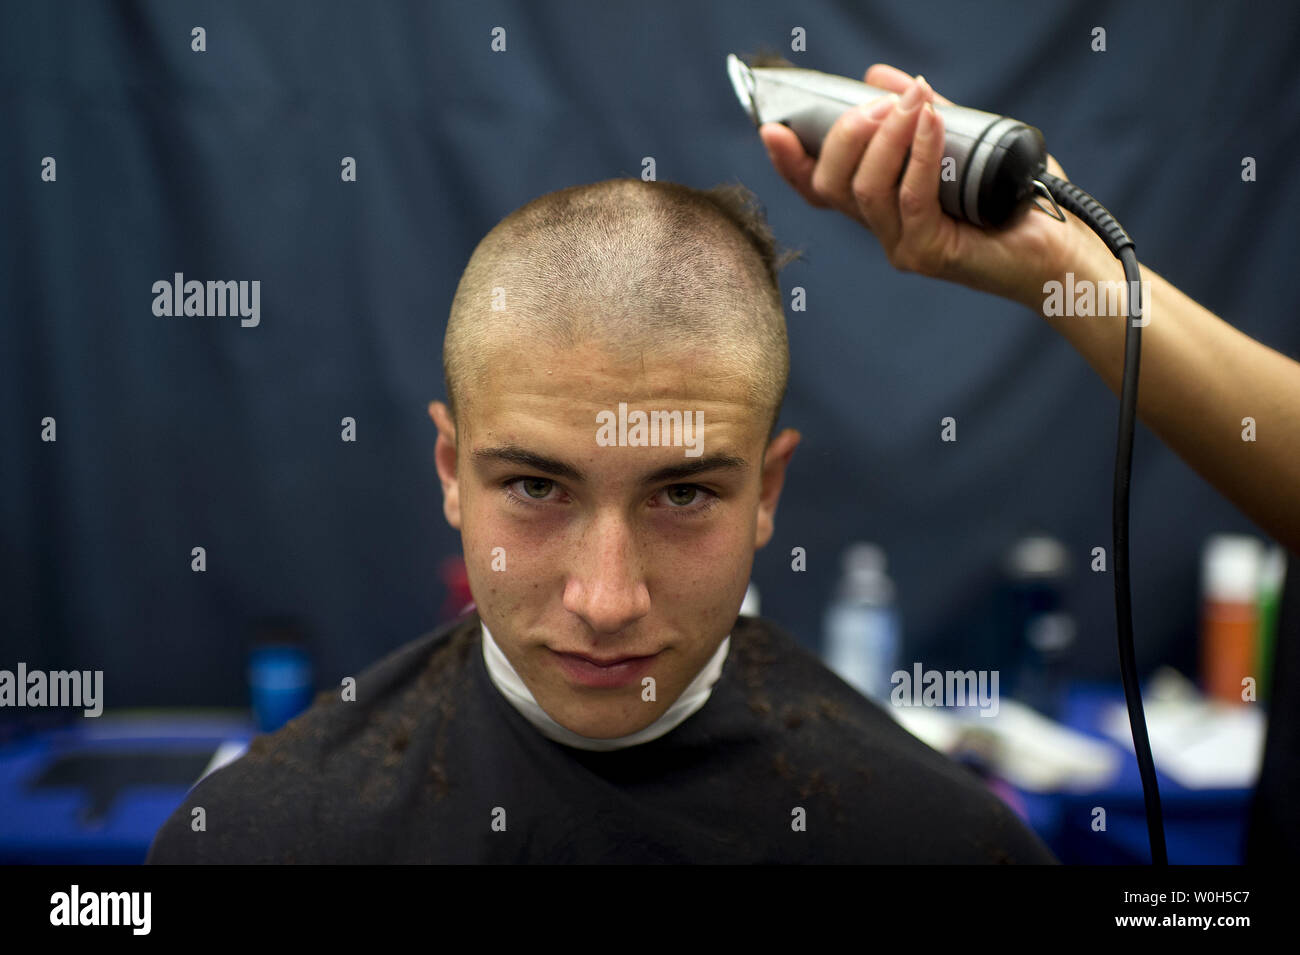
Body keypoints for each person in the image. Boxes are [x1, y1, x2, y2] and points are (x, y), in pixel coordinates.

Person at [147, 167, 1057, 864]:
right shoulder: (254, 843)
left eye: (685, 494)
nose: (608, 600)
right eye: (537, 489)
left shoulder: (943, 844)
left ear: (767, 495)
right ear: (451, 471)